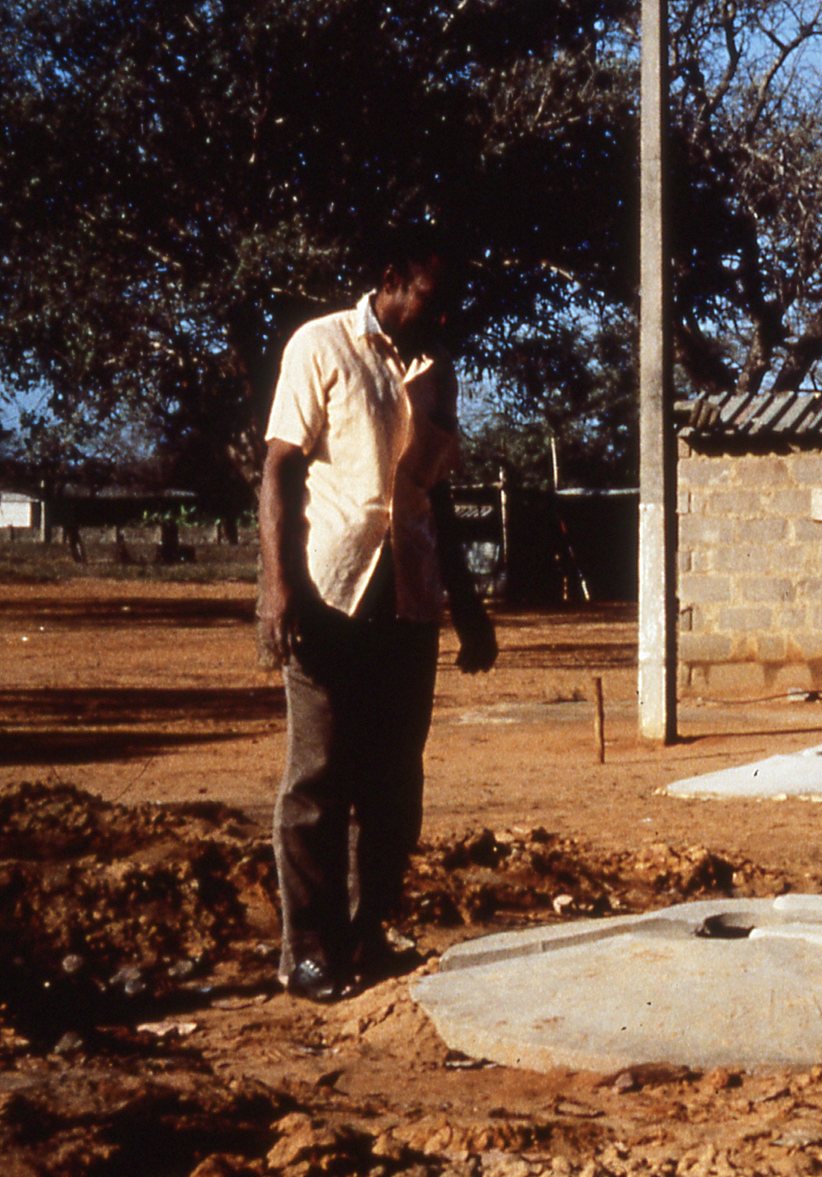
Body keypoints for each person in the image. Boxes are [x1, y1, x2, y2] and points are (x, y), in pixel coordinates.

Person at [257, 225, 496, 1003]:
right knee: (319, 777)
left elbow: (434, 495)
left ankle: (366, 933)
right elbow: (279, 470)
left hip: (410, 599)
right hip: (329, 593)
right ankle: (308, 949)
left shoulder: (437, 374)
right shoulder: (319, 346)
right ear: (391, 277)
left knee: (395, 783)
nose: (442, 313)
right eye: (431, 294)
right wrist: (277, 586)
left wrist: (466, 604)